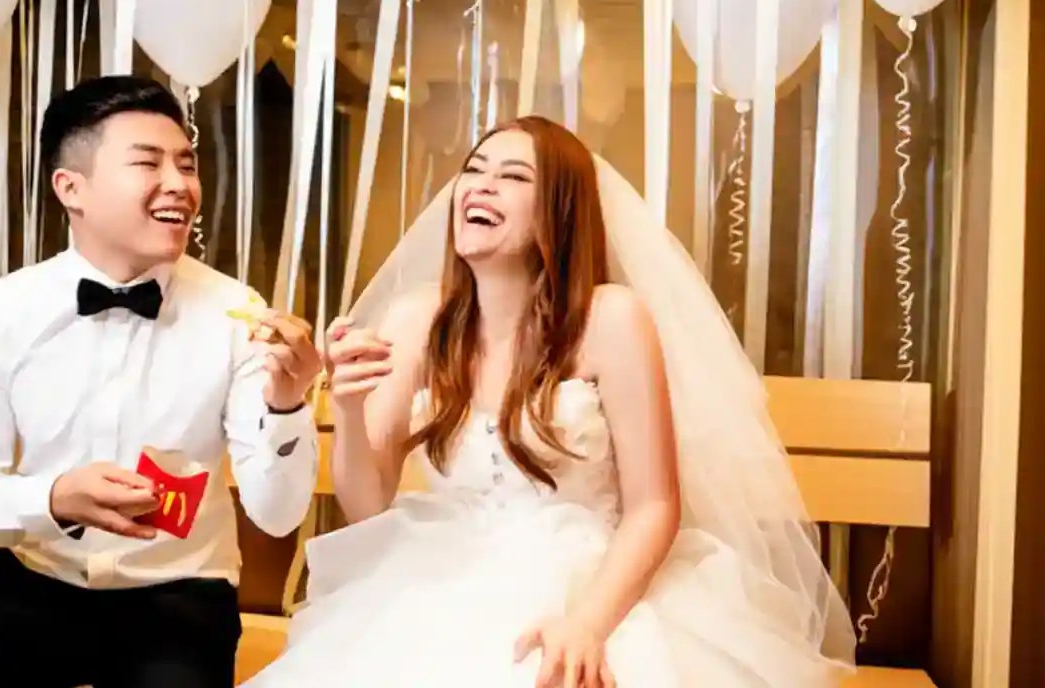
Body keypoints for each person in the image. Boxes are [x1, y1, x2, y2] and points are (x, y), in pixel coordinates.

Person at [243, 116, 856, 688]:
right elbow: (367, 505)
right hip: (439, 573)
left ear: (560, 212)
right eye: (475, 171)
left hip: (592, 581)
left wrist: (588, 624)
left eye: (512, 177)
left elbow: (655, 506)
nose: (479, 188)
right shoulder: (417, 321)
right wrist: (349, 409)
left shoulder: (611, 319)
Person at [0, 75, 323, 688]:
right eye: (147, 163)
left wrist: (287, 405)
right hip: (29, 582)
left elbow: (278, 514)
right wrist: (52, 499)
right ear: (71, 187)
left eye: (187, 165)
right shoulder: (1, 313)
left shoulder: (235, 313)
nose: (180, 185)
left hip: (177, 600)